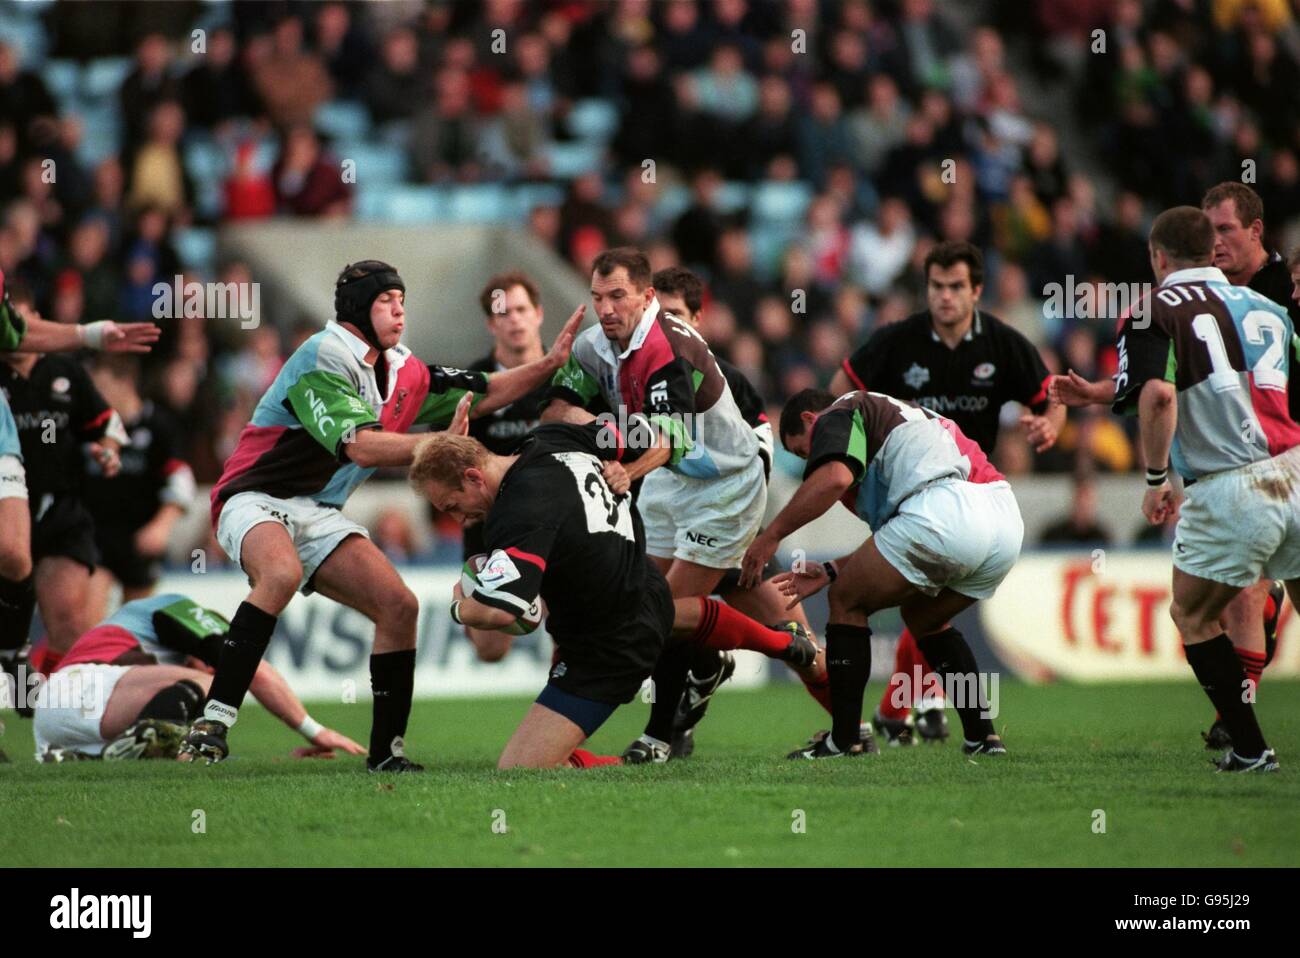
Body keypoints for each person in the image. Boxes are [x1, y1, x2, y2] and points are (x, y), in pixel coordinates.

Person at [178, 260, 583, 771]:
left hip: (320, 511)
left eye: (403, 300)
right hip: (254, 496)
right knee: (280, 572)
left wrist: (549, 366)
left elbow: (485, 390)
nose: (399, 310)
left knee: (400, 607)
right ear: (356, 311)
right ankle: (213, 722)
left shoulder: (403, 369)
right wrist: (442, 443)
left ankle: (386, 755)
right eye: (387, 300)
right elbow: (362, 448)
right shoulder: (322, 356)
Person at [410, 422, 816, 769]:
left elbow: (503, 613)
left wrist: (460, 605)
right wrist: (633, 469)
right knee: (675, 614)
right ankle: (782, 642)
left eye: (452, 506)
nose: (458, 520)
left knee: (521, 766)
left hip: (607, 646)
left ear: (473, 477)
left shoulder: (516, 514)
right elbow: (663, 433)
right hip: (643, 587)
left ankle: (630, 765)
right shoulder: (553, 437)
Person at [542, 247, 811, 763]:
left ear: (646, 299)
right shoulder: (593, 346)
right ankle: (716, 663)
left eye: (617, 296)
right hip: (670, 482)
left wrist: (624, 467)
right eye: (597, 297)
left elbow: (668, 441)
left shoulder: (667, 348)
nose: (606, 309)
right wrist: (602, 432)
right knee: (648, 605)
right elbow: (555, 408)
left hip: (723, 488)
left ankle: (664, 732)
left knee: (657, 614)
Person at [827, 240, 1063, 744]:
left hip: (972, 487)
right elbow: (839, 389)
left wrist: (1050, 425)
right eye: (936, 286)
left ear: (977, 290)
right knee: (924, 605)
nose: (945, 297)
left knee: (909, 602)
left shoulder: (1001, 343)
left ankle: (893, 711)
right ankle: (927, 709)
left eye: (956, 287)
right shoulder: (898, 340)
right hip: (911, 490)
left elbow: (1051, 396)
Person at [1107, 205, 1297, 772]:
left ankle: (1248, 746)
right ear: (1211, 251)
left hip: (1232, 485)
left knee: (1192, 614)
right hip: (1294, 466)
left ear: (1159, 257)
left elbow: (1159, 397)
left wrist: (1155, 476)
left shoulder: (1152, 311)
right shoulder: (1269, 306)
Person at [742, 387, 1021, 759]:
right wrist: (832, 567)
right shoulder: (899, 421)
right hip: (1002, 521)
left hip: (943, 509)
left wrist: (770, 537)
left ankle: (844, 740)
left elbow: (834, 478)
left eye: (802, 450)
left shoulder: (838, 412)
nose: (808, 460)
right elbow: (902, 531)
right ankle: (983, 737)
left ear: (811, 419)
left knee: (844, 601)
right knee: (924, 617)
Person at [651, 265, 832, 754]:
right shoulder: (636, 379)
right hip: (671, 535)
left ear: (698, 320)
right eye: (655, 315)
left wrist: (753, 533)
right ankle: (681, 710)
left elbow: (760, 456)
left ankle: (853, 728)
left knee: (799, 645)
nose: (664, 328)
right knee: (654, 619)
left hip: (730, 538)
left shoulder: (726, 382)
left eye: (674, 317)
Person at [0, 269, 158, 714]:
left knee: (68, 617)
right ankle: (16, 669)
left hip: (58, 508)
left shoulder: (64, 372)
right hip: (10, 505)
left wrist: (107, 450)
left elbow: (108, 425)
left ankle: (51, 713)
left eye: (22, 320)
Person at [31, 593, 362, 762]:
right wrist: (314, 730)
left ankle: (88, 756)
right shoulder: (172, 606)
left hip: (55, 717)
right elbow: (248, 667)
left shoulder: (158, 678)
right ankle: (152, 744)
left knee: (194, 741)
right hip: (83, 687)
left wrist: (285, 761)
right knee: (214, 689)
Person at [460, 271, 554, 664]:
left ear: (538, 314)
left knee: (575, 633)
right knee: (490, 649)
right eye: (504, 313)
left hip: (557, 519)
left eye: (521, 309)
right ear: (490, 323)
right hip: (491, 523)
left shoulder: (568, 374)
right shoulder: (472, 382)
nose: (514, 319)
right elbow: (449, 453)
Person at [83, 354, 196, 622]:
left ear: (125, 383)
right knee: (87, 619)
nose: (95, 397)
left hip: (139, 539)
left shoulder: (159, 426)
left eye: (101, 388)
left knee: (134, 626)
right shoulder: (89, 428)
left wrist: (161, 526)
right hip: (95, 538)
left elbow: (180, 480)